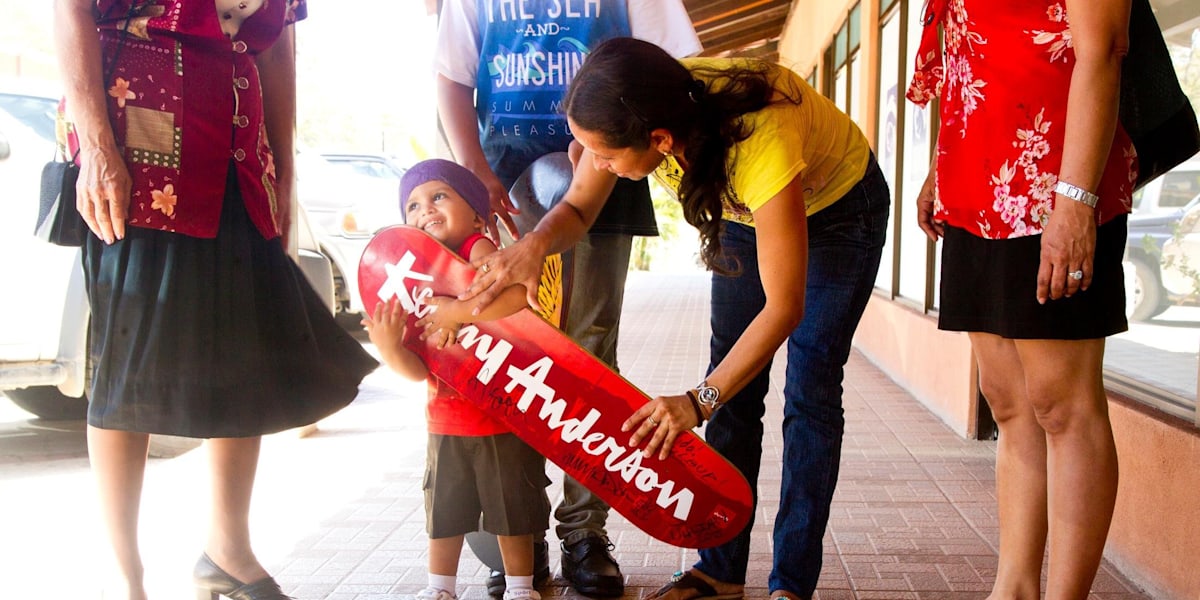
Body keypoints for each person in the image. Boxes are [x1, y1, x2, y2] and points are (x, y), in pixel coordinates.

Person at [461, 37, 891, 600]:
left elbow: (784, 307)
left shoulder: (762, 138)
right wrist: (535, 245)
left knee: (809, 389)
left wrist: (696, 401)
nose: (597, 165)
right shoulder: (637, 103)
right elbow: (578, 208)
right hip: (743, 208)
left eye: (608, 156)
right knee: (734, 389)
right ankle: (719, 572)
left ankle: (791, 583)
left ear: (660, 141)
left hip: (838, 211)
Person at [53, 1, 378, 599]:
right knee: (132, 363)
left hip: (236, 147)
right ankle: (126, 581)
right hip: (138, 141)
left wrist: (283, 167)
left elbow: (278, 43)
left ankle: (227, 551)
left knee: (241, 349)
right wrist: (96, 145)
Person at [433, 1, 701, 596]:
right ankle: (517, 534)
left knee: (589, 355)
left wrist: (605, 153)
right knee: (506, 355)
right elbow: (452, 73)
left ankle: (584, 532)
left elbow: (677, 69)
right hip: (503, 184)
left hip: (607, 176)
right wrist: (473, 170)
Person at [907, 1, 1134, 598]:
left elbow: (1101, 49)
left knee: (1063, 405)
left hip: (1052, 187)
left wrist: (1076, 203)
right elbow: (969, 51)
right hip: (974, 184)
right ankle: (1013, 588)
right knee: (1007, 402)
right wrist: (940, 167)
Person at [363, 159, 554, 600]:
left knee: (512, 509)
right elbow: (418, 368)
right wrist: (391, 347)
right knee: (444, 512)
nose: (424, 209)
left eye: (438, 196)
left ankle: (522, 587)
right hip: (445, 418)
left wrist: (455, 311)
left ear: (474, 212)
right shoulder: (412, 280)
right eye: (411, 205)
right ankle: (440, 588)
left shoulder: (477, 247)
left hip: (500, 413)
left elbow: (514, 299)